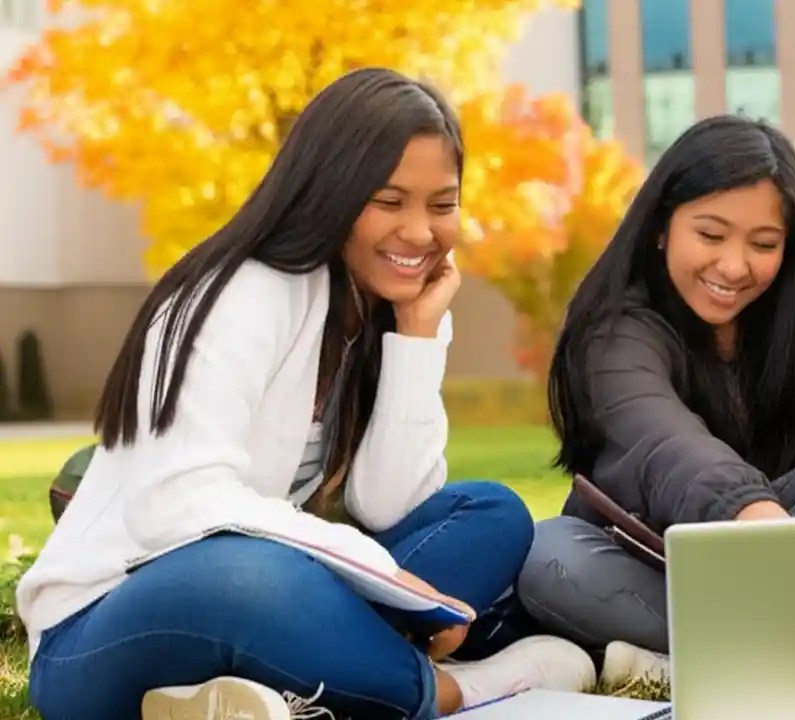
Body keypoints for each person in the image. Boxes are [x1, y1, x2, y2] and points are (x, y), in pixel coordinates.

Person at [17, 67, 595, 720]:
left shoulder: (377, 306)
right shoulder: (242, 291)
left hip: (275, 590)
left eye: (441, 204)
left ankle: (257, 695)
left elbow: (388, 502)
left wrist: (416, 335)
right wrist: (377, 572)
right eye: (388, 200)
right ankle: (463, 688)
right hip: (111, 624)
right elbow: (179, 507)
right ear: (332, 192)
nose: (419, 232)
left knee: (492, 514)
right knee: (254, 579)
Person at [517, 114, 795, 687]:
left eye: (763, 244)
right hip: (659, 563)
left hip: (793, 552)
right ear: (663, 226)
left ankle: (694, 665)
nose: (733, 266)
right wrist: (749, 511)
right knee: (549, 557)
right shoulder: (616, 333)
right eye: (711, 235)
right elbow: (664, 440)